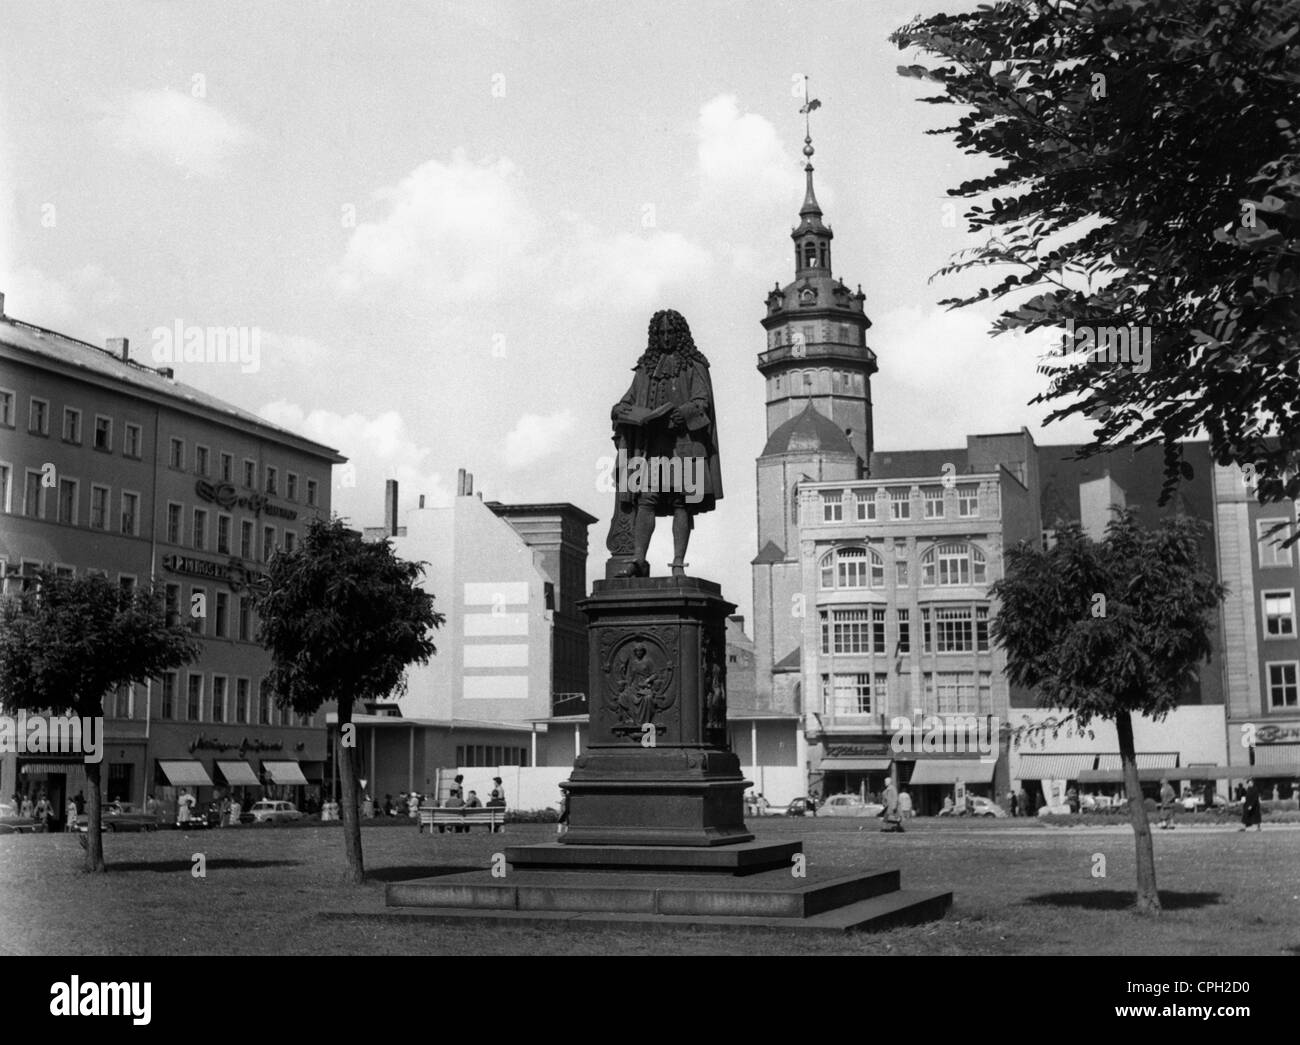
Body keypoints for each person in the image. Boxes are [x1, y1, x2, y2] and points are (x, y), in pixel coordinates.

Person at [608, 309, 723, 578]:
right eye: (661, 333)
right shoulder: (645, 369)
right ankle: (639, 560)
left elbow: (701, 401)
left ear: (680, 334)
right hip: (652, 446)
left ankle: (679, 563)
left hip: (685, 444)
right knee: (646, 499)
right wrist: (620, 410)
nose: (667, 337)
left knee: (681, 502)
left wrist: (681, 414)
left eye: (671, 333)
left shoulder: (694, 365)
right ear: (655, 335)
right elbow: (627, 400)